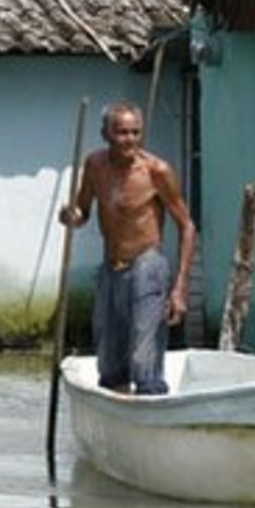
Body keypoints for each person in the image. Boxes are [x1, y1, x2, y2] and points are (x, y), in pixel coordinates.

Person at [59, 100, 196, 394]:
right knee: (109, 363)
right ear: (106, 134)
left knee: (143, 360)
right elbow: (82, 210)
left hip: (147, 267)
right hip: (112, 268)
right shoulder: (95, 165)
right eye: (122, 133)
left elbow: (187, 226)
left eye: (136, 132)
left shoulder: (156, 171)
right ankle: (120, 418)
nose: (130, 140)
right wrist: (70, 215)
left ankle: (151, 409)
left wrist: (180, 289)